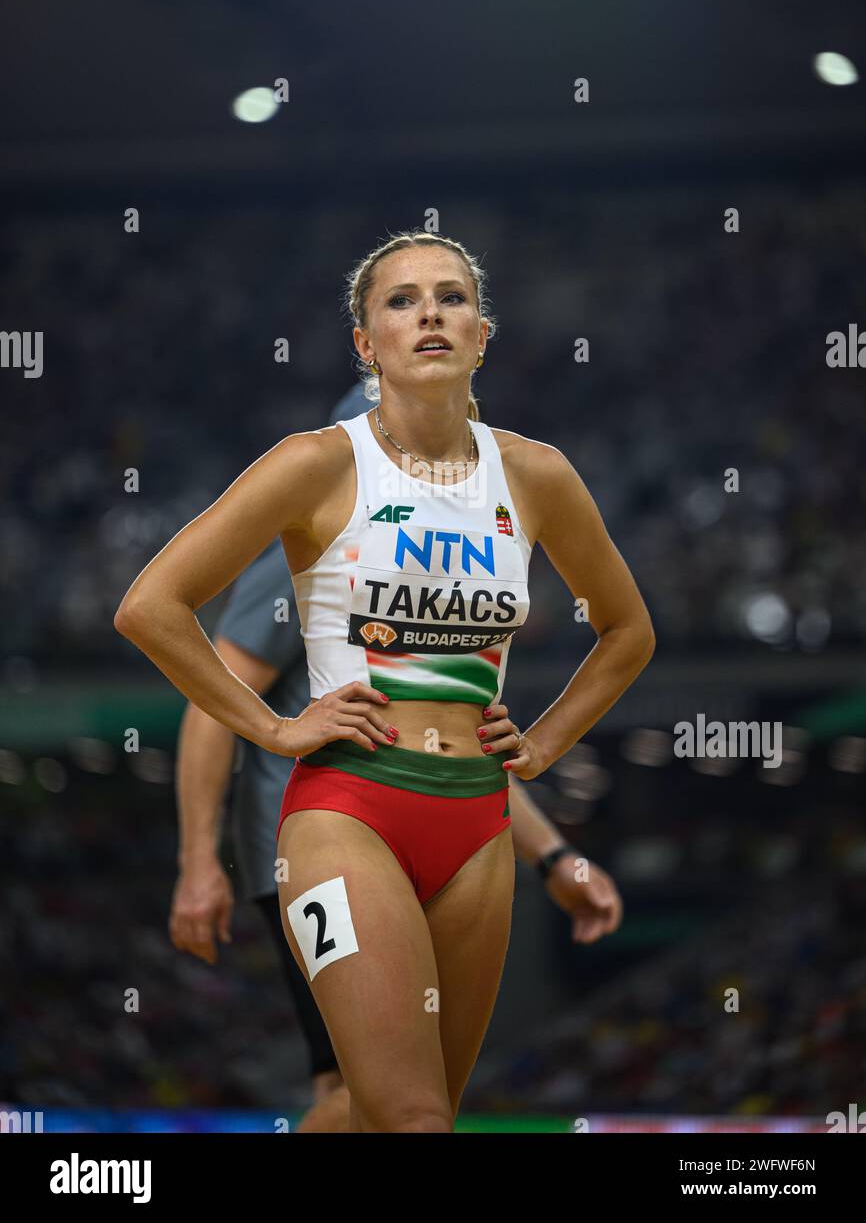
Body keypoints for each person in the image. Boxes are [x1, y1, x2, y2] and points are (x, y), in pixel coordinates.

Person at [115, 230, 654, 1133]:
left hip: (478, 824)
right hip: (345, 813)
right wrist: (274, 731)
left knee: (385, 1115)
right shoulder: (315, 463)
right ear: (366, 345)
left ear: (483, 335)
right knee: (412, 1118)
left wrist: (545, 744)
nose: (430, 313)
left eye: (452, 297)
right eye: (402, 301)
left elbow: (628, 632)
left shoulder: (537, 474)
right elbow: (150, 607)